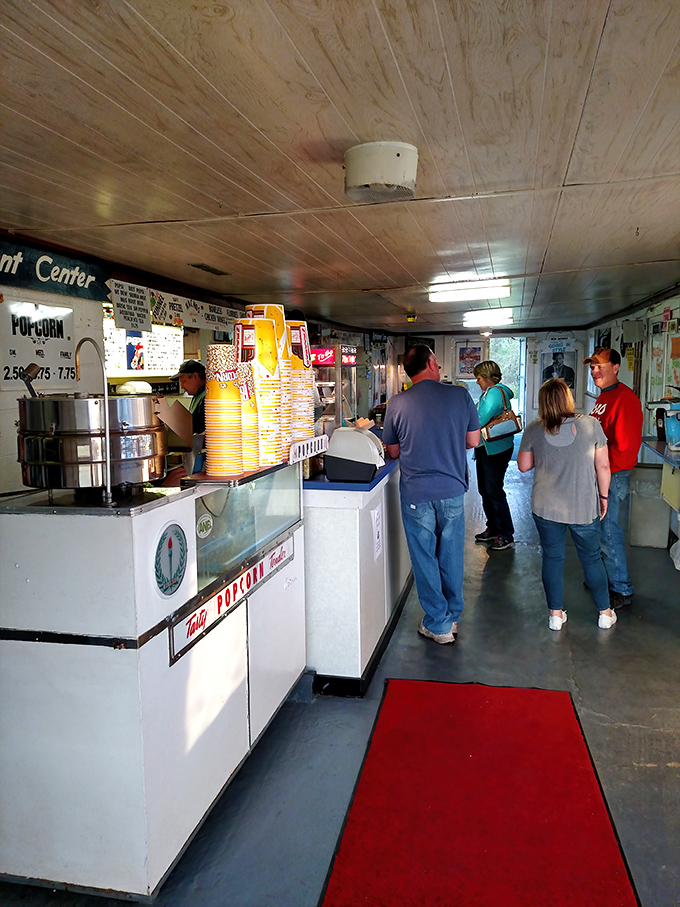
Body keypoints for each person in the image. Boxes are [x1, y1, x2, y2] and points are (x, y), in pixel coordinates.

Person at [383, 345, 481, 644]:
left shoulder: (397, 403)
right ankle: (451, 618)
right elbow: (473, 441)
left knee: (424, 557)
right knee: (451, 555)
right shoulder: (460, 396)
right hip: (452, 489)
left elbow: (393, 450)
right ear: (432, 364)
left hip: (416, 493)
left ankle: (437, 624)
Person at [517, 379, 616, 630]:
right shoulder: (591, 425)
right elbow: (603, 466)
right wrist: (603, 497)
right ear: (568, 399)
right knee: (592, 558)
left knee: (552, 557)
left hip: (545, 507)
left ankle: (555, 616)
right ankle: (605, 614)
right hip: (583, 505)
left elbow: (524, 465)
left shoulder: (533, 429)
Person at [583, 347, 643, 609]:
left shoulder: (624, 398)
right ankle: (606, 578)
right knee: (599, 529)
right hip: (600, 473)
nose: (595, 371)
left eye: (600, 366)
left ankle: (621, 587)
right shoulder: (604, 396)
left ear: (616, 367)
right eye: (592, 366)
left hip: (613, 474)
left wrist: (604, 476)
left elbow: (625, 446)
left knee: (608, 530)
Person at [472, 360, 515, 550]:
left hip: (496, 448)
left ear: (488, 378)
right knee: (485, 489)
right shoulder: (488, 393)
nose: (477, 382)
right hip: (487, 447)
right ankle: (493, 527)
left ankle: (506, 533)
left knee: (494, 490)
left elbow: (479, 418)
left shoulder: (495, 392)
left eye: (479, 378)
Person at [164, 360, 206, 483]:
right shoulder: (198, 396)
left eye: (183, 381)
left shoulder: (206, 396)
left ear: (195, 376)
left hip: (202, 458)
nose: (181, 386)